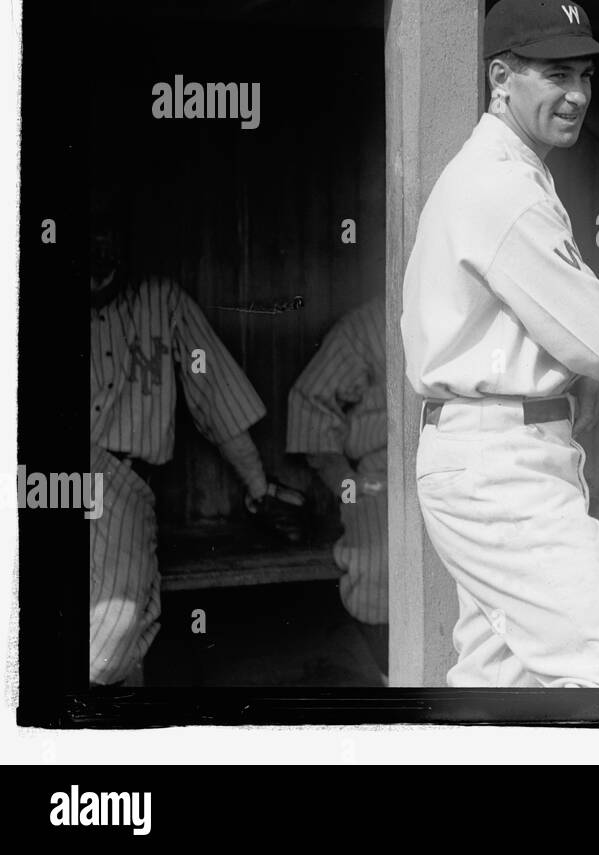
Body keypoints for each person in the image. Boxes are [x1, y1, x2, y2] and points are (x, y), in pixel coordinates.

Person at [400, 0, 599, 687]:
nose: (578, 93)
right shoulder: (498, 183)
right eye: (555, 74)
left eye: (586, 75)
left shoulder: (510, 170)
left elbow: (552, 322)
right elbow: (581, 318)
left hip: (502, 453)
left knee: (500, 682)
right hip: (497, 460)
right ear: (501, 79)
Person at [88, 207, 301, 686]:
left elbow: (213, 393)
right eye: (87, 240)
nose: (98, 256)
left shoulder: (160, 301)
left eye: (107, 241)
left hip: (120, 484)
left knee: (110, 643)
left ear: (124, 247)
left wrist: (257, 485)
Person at [286, 295, 389, 680]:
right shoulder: (369, 324)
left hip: (460, 460)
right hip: (384, 473)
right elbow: (309, 404)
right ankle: (394, 677)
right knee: (381, 563)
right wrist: (349, 486)